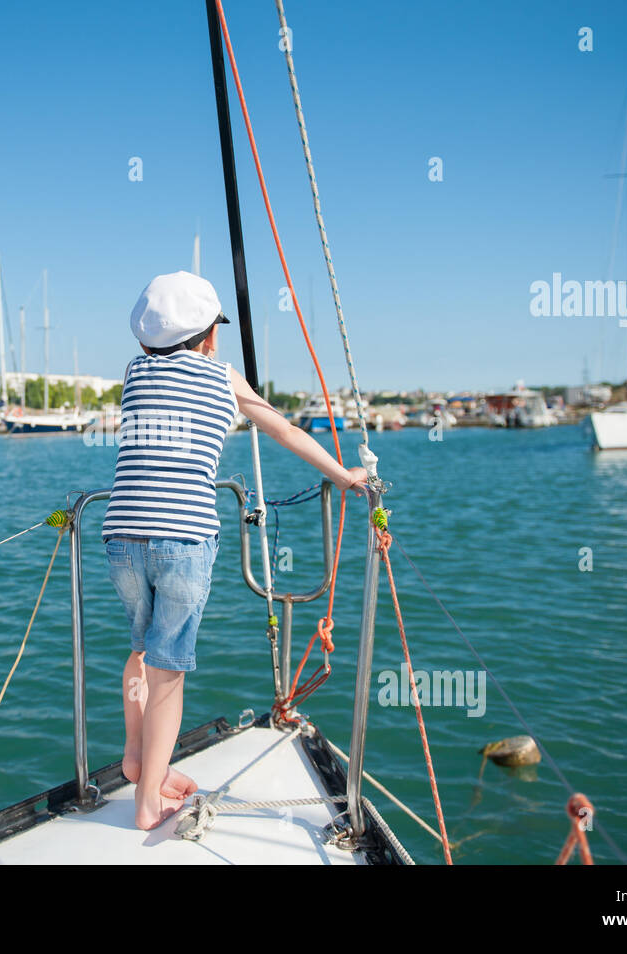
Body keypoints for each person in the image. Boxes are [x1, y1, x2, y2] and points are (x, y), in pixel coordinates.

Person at [101, 271, 368, 830]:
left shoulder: (133, 373)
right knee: (169, 669)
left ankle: (134, 759)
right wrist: (344, 476)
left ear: (145, 341)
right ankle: (148, 799)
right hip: (182, 537)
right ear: (211, 336)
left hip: (121, 535)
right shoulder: (224, 378)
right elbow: (284, 432)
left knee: (141, 652)